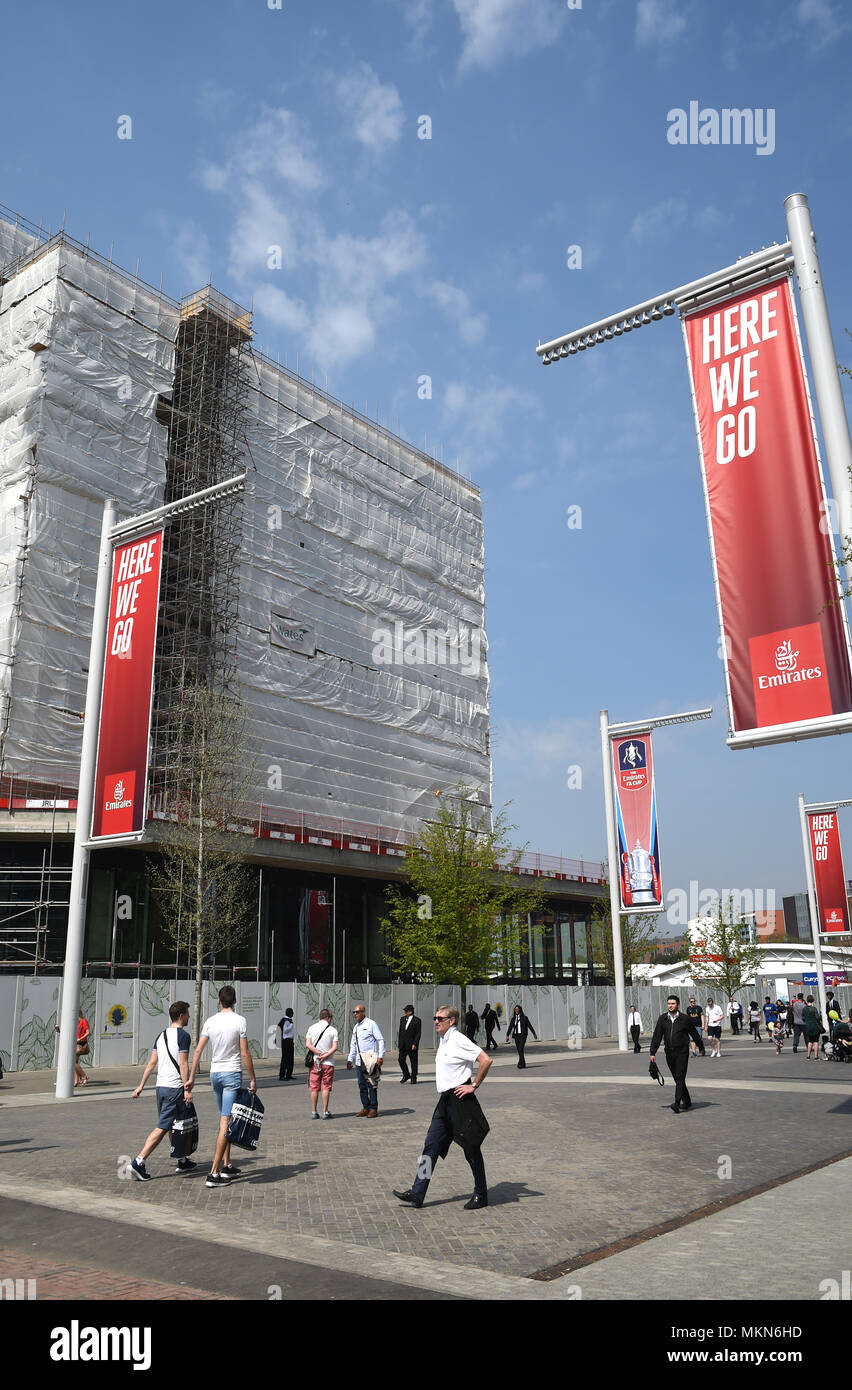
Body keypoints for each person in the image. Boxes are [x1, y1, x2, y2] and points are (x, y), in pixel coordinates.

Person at [393, 1004, 492, 1210]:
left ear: (451, 1021)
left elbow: (485, 1060)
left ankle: (481, 1194)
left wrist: (473, 1085)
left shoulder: (458, 1039)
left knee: (471, 1148)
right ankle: (417, 1192)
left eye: (440, 1018)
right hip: (444, 1102)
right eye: (435, 1018)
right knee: (430, 1146)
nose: (436, 1021)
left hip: (460, 1101)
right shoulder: (445, 1040)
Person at [186, 984, 257, 1188]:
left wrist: (191, 1077)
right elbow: (244, 1053)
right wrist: (252, 1078)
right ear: (234, 1001)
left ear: (219, 1001)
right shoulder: (240, 1021)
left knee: (225, 1119)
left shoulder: (210, 1021)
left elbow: (198, 1051)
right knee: (226, 1122)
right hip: (232, 1074)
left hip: (215, 1074)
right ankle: (213, 1173)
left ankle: (227, 1164)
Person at [129, 1001, 195, 1180]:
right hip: (174, 1088)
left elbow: (151, 1063)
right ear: (181, 1015)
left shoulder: (161, 1035)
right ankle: (139, 1162)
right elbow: (183, 1063)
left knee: (173, 1124)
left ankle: (181, 1160)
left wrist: (141, 1086)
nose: (189, 1017)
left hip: (161, 1088)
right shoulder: (183, 1036)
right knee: (163, 1127)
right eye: (188, 1014)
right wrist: (187, 1088)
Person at [649, 995, 705, 1113]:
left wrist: (701, 1046)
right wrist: (652, 1052)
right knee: (677, 1078)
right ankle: (687, 1101)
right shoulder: (663, 1019)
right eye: (669, 1003)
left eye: (673, 1003)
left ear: (678, 1005)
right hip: (669, 1052)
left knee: (680, 1077)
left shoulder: (684, 1019)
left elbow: (694, 1033)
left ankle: (676, 1103)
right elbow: (657, 1036)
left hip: (682, 1052)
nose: (670, 1005)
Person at [346, 1004, 385, 1117]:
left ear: (364, 1012)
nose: (355, 1014)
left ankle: (373, 1108)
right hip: (359, 1061)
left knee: (371, 1085)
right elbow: (353, 1045)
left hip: (370, 1060)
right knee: (361, 1085)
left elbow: (380, 1040)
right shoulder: (356, 1027)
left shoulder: (371, 1024)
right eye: (353, 1012)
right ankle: (365, 1107)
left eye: (357, 1012)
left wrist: (380, 1057)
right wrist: (350, 1059)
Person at [306, 1008, 338, 1118]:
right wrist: (325, 1055)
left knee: (314, 1087)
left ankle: (314, 1112)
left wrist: (318, 1053)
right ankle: (325, 1111)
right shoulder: (333, 1030)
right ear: (328, 1018)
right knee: (326, 1087)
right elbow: (335, 1047)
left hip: (315, 1062)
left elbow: (308, 1045)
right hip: (328, 1063)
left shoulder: (311, 1028)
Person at [55, 1009, 91, 1087]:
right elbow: (69, 1034)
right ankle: (76, 1081)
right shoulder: (76, 1023)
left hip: (81, 1044)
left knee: (72, 1062)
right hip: (75, 1044)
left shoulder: (83, 1021)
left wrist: (80, 1038)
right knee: (75, 1063)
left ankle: (84, 1076)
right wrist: (59, 1031)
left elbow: (88, 1032)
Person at [506, 1004, 537, 1068]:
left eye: (517, 1009)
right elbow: (510, 1027)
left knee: (520, 1049)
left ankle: (520, 1064)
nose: (516, 1010)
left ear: (520, 1010)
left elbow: (529, 1026)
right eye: (515, 1009)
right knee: (519, 1050)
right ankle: (523, 1064)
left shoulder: (524, 1018)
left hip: (523, 1035)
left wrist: (534, 1033)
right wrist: (507, 1035)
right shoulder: (513, 1018)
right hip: (516, 1036)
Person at [397, 1004, 422, 1084]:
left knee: (413, 1062)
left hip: (412, 1045)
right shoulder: (402, 1019)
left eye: (406, 1011)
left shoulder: (417, 1020)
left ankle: (413, 1077)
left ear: (410, 1012)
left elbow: (418, 1033)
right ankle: (406, 1074)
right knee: (401, 1060)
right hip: (403, 1044)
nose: (405, 1012)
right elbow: (400, 1032)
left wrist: (415, 1043)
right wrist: (399, 1043)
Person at [802, 995, 823, 1060]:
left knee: (810, 1041)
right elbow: (817, 1018)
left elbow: (803, 1018)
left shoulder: (804, 1009)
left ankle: (808, 1056)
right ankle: (816, 1056)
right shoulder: (814, 1009)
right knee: (816, 1041)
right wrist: (820, 1017)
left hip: (808, 1026)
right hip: (815, 1026)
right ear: (813, 1000)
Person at [278, 1008, 295, 1081]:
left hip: (289, 1041)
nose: (293, 1013)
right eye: (292, 1012)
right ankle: (282, 1075)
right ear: (289, 1013)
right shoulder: (286, 1021)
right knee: (285, 1058)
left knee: (290, 1058)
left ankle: (289, 1074)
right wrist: (291, 1025)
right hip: (286, 1041)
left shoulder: (287, 1020)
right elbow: (285, 1030)